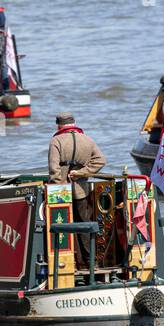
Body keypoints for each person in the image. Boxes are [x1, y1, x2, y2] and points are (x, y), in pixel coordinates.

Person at [48, 113, 106, 268]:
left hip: (61, 192)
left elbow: (54, 171)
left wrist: (59, 187)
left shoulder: (56, 141)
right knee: (84, 224)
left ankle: (70, 263)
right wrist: (82, 172)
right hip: (82, 190)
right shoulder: (87, 140)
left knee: (64, 225)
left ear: (58, 126)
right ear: (75, 123)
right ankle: (90, 262)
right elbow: (101, 160)